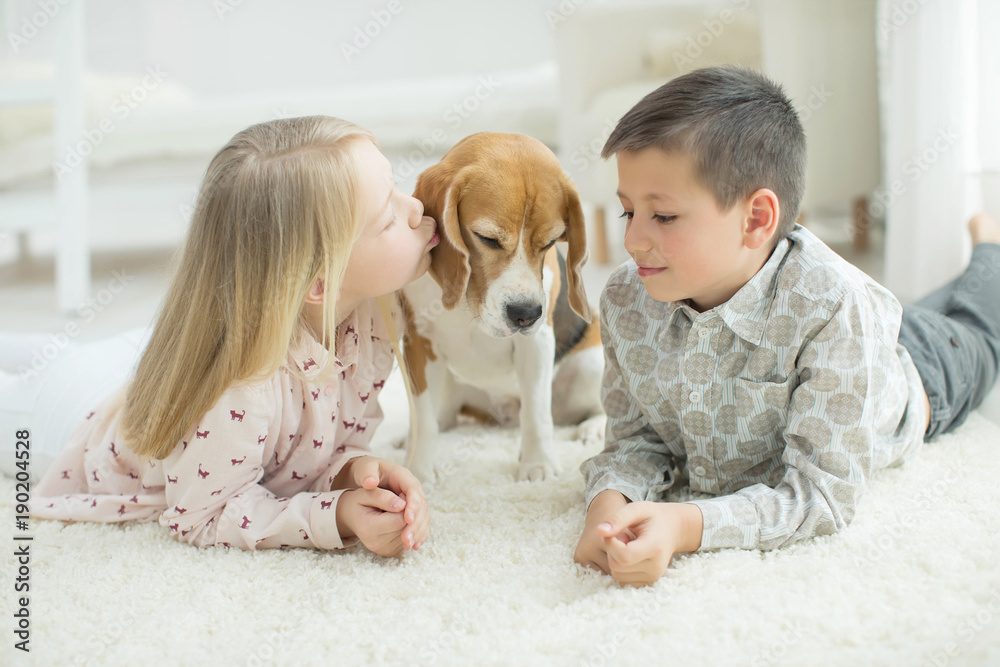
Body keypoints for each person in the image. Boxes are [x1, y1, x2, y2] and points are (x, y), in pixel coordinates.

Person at [573, 65, 1000, 587]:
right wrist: (607, 508)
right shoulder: (625, 298)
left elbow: (822, 495)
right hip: (855, 339)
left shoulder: (835, 304)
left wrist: (688, 525)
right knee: (927, 307)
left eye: (662, 217)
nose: (634, 240)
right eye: (626, 213)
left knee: (979, 320)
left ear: (755, 219)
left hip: (925, 369)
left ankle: (990, 244)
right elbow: (636, 442)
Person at [4, 116, 436, 555]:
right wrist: (334, 516)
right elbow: (204, 516)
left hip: (113, 374)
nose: (416, 209)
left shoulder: (371, 311)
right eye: (388, 220)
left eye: (396, 187)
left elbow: (319, 450)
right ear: (320, 283)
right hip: (64, 415)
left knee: (54, 354)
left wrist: (359, 474)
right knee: (41, 376)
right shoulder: (244, 390)